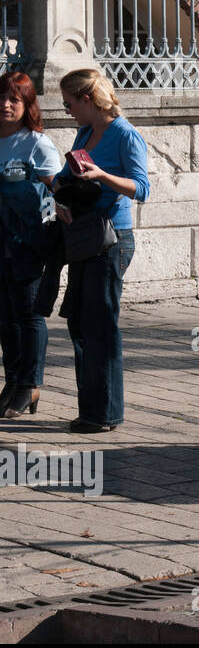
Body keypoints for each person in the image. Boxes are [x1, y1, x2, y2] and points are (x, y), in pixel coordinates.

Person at [52, 69, 149, 433]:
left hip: (111, 239)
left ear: (87, 101)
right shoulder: (85, 132)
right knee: (79, 320)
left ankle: (104, 413)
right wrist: (59, 195)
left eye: (70, 103)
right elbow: (64, 175)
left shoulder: (125, 134)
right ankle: (92, 407)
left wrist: (102, 177)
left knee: (100, 326)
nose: (68, 111)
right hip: (83, 235)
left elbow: (142, 188)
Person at [0, 72, 60, 420]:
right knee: (5, 318)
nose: (6, 105)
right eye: (2, 98)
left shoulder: (36, 143)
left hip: (27, 243)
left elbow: (56, 192)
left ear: (27, 105)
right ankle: (12, 380)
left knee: (28, 315)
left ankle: (30, 383)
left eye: (15, 99)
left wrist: (46, 237)